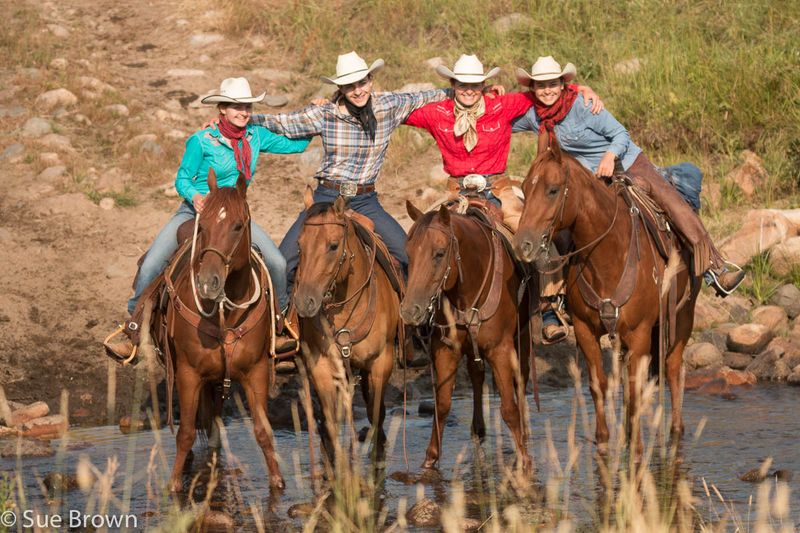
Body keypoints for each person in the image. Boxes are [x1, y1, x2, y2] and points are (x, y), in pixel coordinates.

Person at [104, 77, 311, 362]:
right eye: (236, 107)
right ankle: (134, 331)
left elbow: (296, 147)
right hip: (195, 212)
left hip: (234, 215)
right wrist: (195, 197)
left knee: (275, 262)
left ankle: (280, 325)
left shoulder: (256, 137)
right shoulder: (201, 141)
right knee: (152, 263)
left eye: (247, 106)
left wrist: (320, 116)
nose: (244, 112)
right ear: (222, 109)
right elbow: (182, 178)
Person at [402, 54, 604, 343]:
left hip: (498, 190)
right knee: (423, 240)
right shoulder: (437, 113)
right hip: (456, 193)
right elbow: (398, 111)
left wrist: (579, 90)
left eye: (475, 84)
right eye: (462, 84)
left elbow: (545, 94)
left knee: (537, 238)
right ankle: (425, 318)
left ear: (484, 84)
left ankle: (548, 309)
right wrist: (338, 100)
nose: (469, 90)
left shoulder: (503, 105)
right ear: (453, 84)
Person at [511, 56, 745, 296]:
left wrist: (609, 156)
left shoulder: (583, 105)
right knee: (562, 221)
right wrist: (489, 93)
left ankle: (715, 269)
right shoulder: (535, 115)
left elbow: (620, 133)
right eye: (541, 85)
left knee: (672, 205)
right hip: (590, 179)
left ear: (562, 84)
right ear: (532, 88)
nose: (547, 90)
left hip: (628, 163)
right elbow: (500, 120)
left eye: (552, 84)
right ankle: (563, 297)